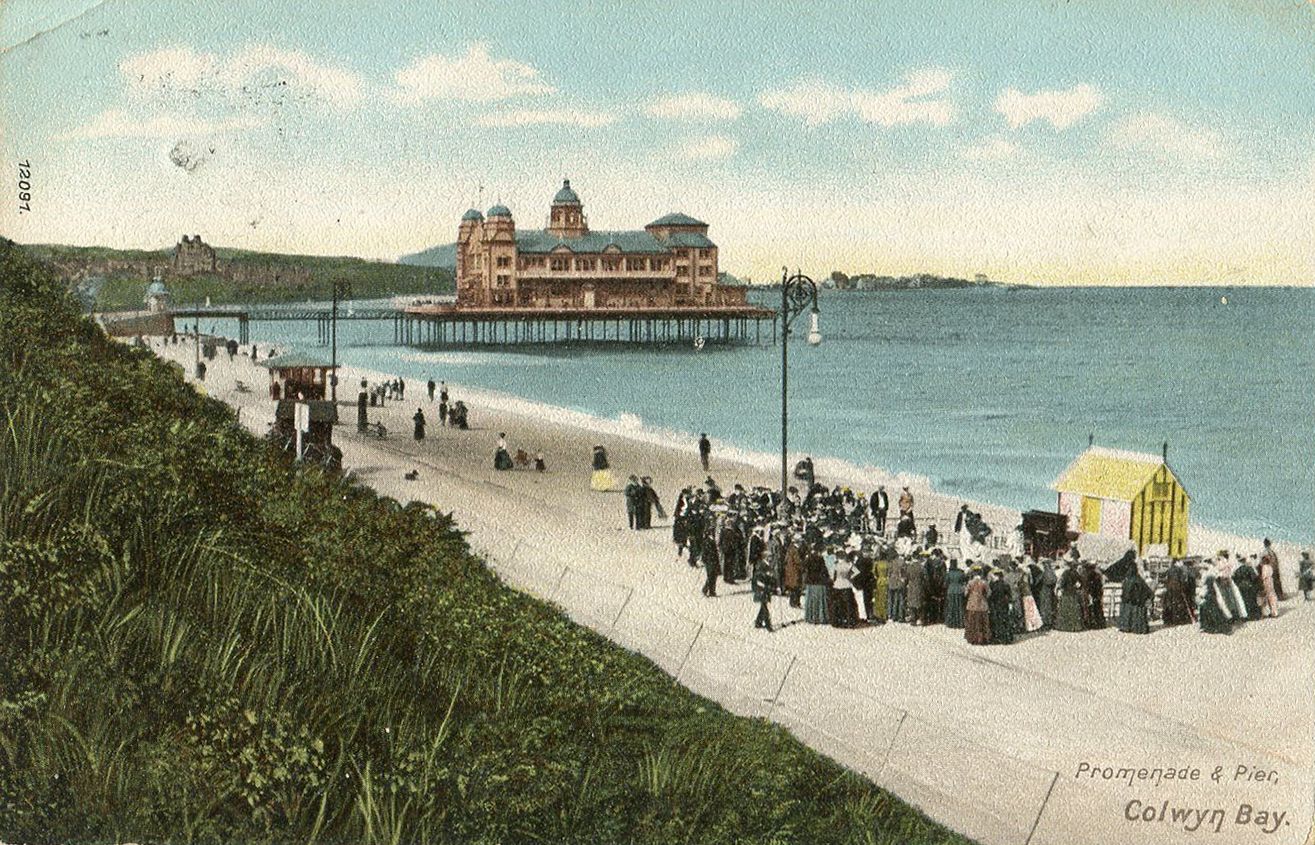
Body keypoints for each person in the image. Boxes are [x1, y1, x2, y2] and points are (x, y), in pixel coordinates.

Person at [1119, 564, 1153, 634]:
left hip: (1128, 602)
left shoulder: (1126, 579)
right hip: (1138, 603)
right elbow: (1148, 591)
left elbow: (1125, 592)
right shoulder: (1138, 579)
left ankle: (1127, 627)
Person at [1161, 560, 1195, 626]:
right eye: (1181, 562)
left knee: (1170, 604)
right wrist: (1184, 586)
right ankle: (1178, 620)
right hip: (1178, 590)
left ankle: (1169, 620)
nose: (1182, 564)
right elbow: (1181, 580)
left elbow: (1167, 579)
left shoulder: (1170, 569)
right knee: (1178, 605)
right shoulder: (1179, 570)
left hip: (1170, 589)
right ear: (1177, 562)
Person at [1053, 562, 1085, 632]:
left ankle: (1066, 627)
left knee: (1065, 610)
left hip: (1066, 593)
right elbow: (1081, 582)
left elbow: (1061, 583)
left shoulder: (1065, 573)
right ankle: (1075, 627)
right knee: (1074, 611)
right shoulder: (1075, 572)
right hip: (1073, 593)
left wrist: (1058, 588)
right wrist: (1077, 587)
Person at [802, 546, 830, 624]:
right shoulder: (821, 559)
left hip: (811, 582)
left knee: (811, 601)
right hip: (819, 582)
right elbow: (824, 571)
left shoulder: (808, 559)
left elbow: (803, 568)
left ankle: (811, 617)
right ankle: (820, 617)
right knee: (820, 601)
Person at [964, 569, 991, 645]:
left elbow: (965, 593)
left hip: (972, 604)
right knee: (983, 622)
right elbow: (989, 593)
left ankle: (973, 638)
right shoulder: (984, 582)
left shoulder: (970, 582)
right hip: (982, 605)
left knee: (972, 621)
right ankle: (983, 639)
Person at [987, 569, 1014, 645]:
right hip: (1003, 604)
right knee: (1004, 620)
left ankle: (997, 637)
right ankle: (1006, 638)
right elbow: (1009, 595)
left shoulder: (993, 585)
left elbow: (990, 596)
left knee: (996, 621)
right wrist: (1010, 604)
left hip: (995, 605)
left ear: (997, 576)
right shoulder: (1006, 584)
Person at [752, 554, 775, 631]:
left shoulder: (768, 566)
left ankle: (758, 622)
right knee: (765, 608)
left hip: (765, 590)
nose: (771, 559)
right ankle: (768, 625)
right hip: (761, 590)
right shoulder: (761, 566)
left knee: (763, 607)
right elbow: (758, 579)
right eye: (769, 557)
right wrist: (765, 585)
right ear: (765, 557)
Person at [944, 559, 966, 628]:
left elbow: (945, 583)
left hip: (951, 590)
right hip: (959, 590)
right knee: (959, 607)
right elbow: (964, 581)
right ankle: (959, 622)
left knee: (951, 607)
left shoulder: (948, 573)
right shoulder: (961, 573)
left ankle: (951, 622)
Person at [783, 534, 803, 608]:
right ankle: (796, 602)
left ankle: (793, 602)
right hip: (795, 571)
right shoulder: (795, 550)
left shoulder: (789, 549)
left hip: (790, 571)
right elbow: (798, 561)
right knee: (797, 588)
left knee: (793, 588)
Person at [904, 555, 926, 626]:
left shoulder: (909, 567)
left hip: (911, 586)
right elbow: (925, 577)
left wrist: (906, 583)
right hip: (919, 586)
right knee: (920, 603)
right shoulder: (921, 567)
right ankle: (921, 619)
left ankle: (913, 619)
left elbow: (906, 577)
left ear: (913, 558)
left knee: (911, 603)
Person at [1258, 553, 1279, 618]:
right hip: (1270, 581)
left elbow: (1263, 576)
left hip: (1266, 582)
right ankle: (1274, 612)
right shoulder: (1270, 567)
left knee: (1266, 597)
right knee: (1272, 596)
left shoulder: (1264, 567)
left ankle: (1267, 613)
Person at [886, 554, 906, 623]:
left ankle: (891, 615)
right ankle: (899, 615)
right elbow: (903, 573)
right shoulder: (902, 562)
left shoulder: (890, 563)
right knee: (899, 599)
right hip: (899, 582)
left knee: (891, 599)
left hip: (891, 583)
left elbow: (888, 573)